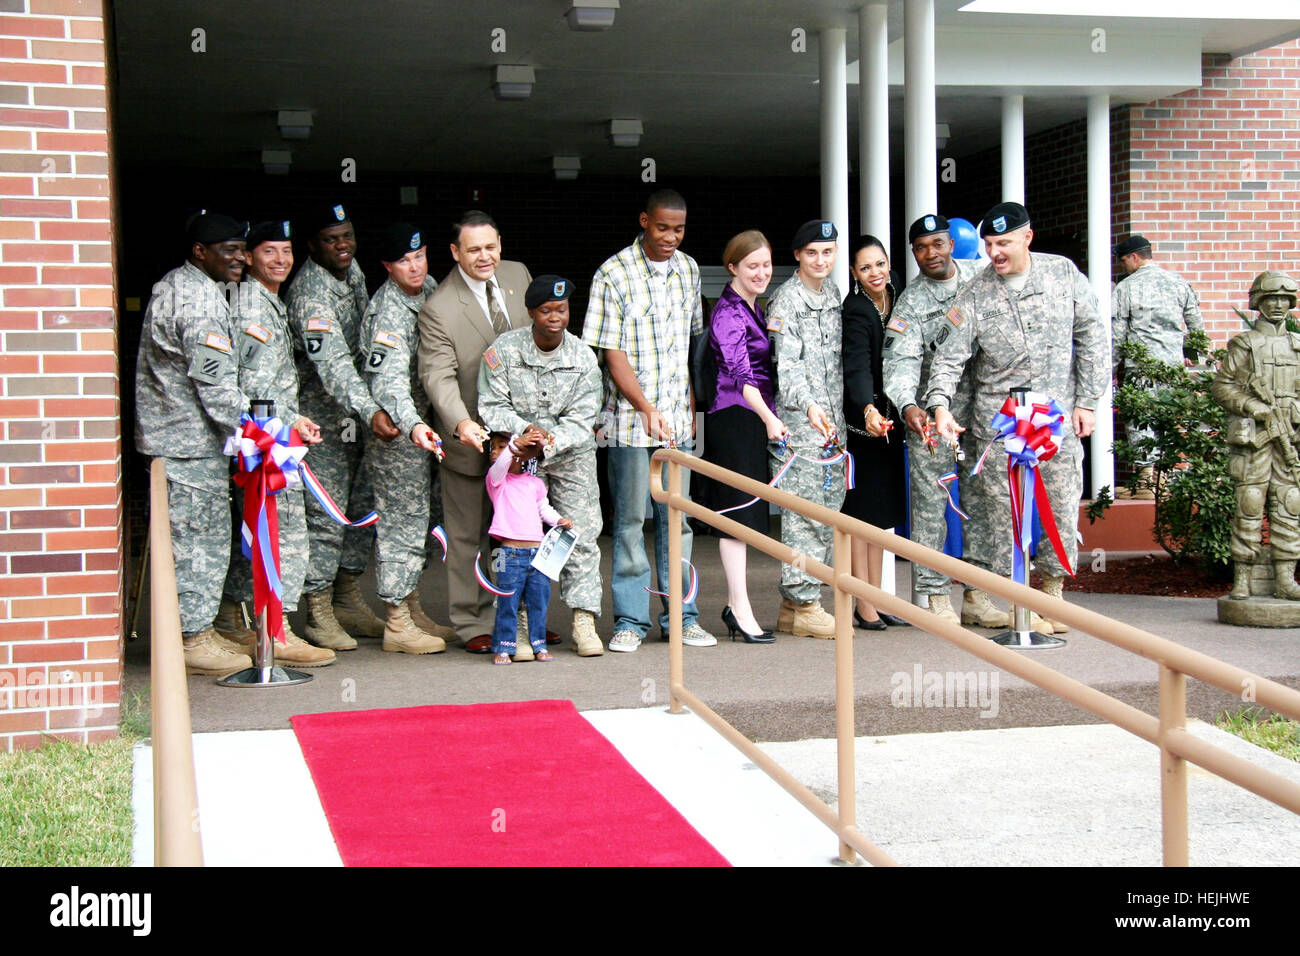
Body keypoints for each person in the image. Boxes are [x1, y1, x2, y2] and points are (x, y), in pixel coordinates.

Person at [926, 202, 1107, 634]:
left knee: (1061, 505)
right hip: (1000, 423)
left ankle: (1052, 594)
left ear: (1028, 237)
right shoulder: (976, 291)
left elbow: (1093, 335)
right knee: (1002, 514)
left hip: (1054, 417)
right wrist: (939, 405)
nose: (995, 253)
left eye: (1003, 243)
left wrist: (1088, 401)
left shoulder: (1062, 274)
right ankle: (1015, 602)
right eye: (989, 244)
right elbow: (949, 359)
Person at [581, 189, 717, 653]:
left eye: (678, 230)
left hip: (678, 423)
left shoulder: (690, 269)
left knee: (677, 522)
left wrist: (693, 408)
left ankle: (682, 617)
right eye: (662, 228)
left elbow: (693, 347)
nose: (670, 238)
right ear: (644, 221)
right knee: (631, 521)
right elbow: (611, 353)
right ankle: (631, 621)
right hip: (628, 423)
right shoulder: (613, 273)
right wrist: (645, 408)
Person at [134, 212, 254, 674]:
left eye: (242, 249)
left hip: (185, 440)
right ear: (199, 252)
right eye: (229, 250)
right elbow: (216, 385)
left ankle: (200, 629)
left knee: (198, 537)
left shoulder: (182, 286)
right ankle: (191, 639)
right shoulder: (196, 300)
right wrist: (258, 429)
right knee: (197, 542)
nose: (240, 258)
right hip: (187, 444)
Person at [213, 219, 333, 667]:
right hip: (265, 443)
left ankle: (242, 621)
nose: (280, 260)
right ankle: (274, 630)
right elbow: (253, 384)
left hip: (276, 433)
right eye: (269, 252)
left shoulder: (269, 302)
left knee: (263, 535)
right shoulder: (250, 305)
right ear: (248, 257)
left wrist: (296, 419)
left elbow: (274, 385)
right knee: (279, 535)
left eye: (286, 251)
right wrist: (279, 429)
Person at [417, 211, 532, 653]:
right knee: (468, 535)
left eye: (491, 247)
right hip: (472, 440)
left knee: (518, 532)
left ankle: (520, 617)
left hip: (523, 441)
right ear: (455, 252)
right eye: (474, 250)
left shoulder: (518, 275)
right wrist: (461, 422)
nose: (485, 257)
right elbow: (438, 376)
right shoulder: (439, 308)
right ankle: (472, 622)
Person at [286, 203, 398, 651]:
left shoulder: (351, 274)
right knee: (326, 518)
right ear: (312, 246)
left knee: (358, 511)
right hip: (322, 423)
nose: (343, 245)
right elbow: (333, 364)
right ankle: (318, 611)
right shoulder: (310, 291)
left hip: (357, 418)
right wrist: (371, 408)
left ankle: (347, 595)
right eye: (332, 239)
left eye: (347, 235)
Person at [478, 275, 605, 656]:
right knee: (515, 541)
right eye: (546, 310)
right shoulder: (504, 350)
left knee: (579, 533)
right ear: (531, 312)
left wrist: (546, 442)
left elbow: (584, 417)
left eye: (562, 310)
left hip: (569, 455)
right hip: (517, 456)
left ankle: (584, 618)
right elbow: (491, 404)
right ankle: (515, 621)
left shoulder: (582, 356)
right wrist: (522, 435)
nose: (555, 317)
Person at [881, 214, 995, 627]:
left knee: (982, 501)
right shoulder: (911, 302)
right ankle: (933, 595)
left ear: (952, 244)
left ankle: (978, 593)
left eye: (938, 244)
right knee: (930, 506)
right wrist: (908, 406)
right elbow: (900, 360)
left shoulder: (984, 279)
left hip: (983, 409)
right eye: (921, 247)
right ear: (913, 253)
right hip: (930, 417)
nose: (931, 253)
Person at [358, 222, 453, 654]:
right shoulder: (387, 312)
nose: (415, 267)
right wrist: (413, 424)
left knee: (422, 519)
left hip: (427, 429)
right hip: (400, 431)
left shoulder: (429, 288)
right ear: (387, 267)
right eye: (403, 261)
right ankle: (396, 621)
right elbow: (388, 382)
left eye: (419, 256)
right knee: (400, 524)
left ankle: (412, 606)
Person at [767, 219, 846, 638]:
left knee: (825, 516)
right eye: (812, 252)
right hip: (801, 428)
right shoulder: (787, 301)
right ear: (797, 255)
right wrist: (811, 405)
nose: (820, 260)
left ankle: (792, 606)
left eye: (828, 252)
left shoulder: (832, 293)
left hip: (833, 431)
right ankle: (804, 602)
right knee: (803, 517)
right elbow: (788, 367)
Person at [701, 231, 782, 643]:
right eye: (752, 266)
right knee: (737, 515)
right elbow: (740, 374)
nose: (762, 273)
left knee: (747, 514)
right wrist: (769, 418)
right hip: (735, 415)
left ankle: (739, 606)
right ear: (732, 268)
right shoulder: (729, 312)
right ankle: (739, 607)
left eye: (767, 265)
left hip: (749, 416)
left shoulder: (752, 306)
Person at [1212, 271, 1300, 601]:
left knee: (1290, 506)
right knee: (1249, 505)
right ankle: (1243, 578)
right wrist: (1255, 407)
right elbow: (1223, 387)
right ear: (1258, 303)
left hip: (1289, 438)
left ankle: (1285, 579)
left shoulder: (1296, 345)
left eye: (1283, 299)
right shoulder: (1244, 345)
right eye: (1270, 299)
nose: (1277, 305)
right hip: (1253, 439)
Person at [840, 234, 909, 631]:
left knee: (882, 516)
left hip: (892, 422)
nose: (875, 273)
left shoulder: (896, 295)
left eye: (879, 264)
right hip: (863, 424)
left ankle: (879, 598)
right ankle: (863, 604)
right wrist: (867, 407)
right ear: (854, 273)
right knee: (861, 517)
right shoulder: (856, 310)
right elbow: (857, 366)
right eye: (865, 267)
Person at [1112, 234, 1206, 499]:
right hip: (1173, 369)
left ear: (1134, 257)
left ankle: (1144, 483)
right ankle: (1162, 481)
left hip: (1141, 367)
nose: (1123, 267)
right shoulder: (1178, 282)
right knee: (1168, 420)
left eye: (1123, 261)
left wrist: (1110, 371)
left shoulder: (1126, 288)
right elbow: (1196, 323)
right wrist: (1191, 353)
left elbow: (1117, 335)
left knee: (1141, 422)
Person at [484, 431, 573, 664]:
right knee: (507, 601)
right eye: (492, 447)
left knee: (539, 602)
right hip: (509, 553)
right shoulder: (496, 480)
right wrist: (514, 445)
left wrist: (558, 520)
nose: (495, 451)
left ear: (522, 455)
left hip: (538, 553)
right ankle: (503, 647)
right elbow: (503, 463)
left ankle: (539, 644)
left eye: (500, 446)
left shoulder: (534, 483)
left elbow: (543, 509)